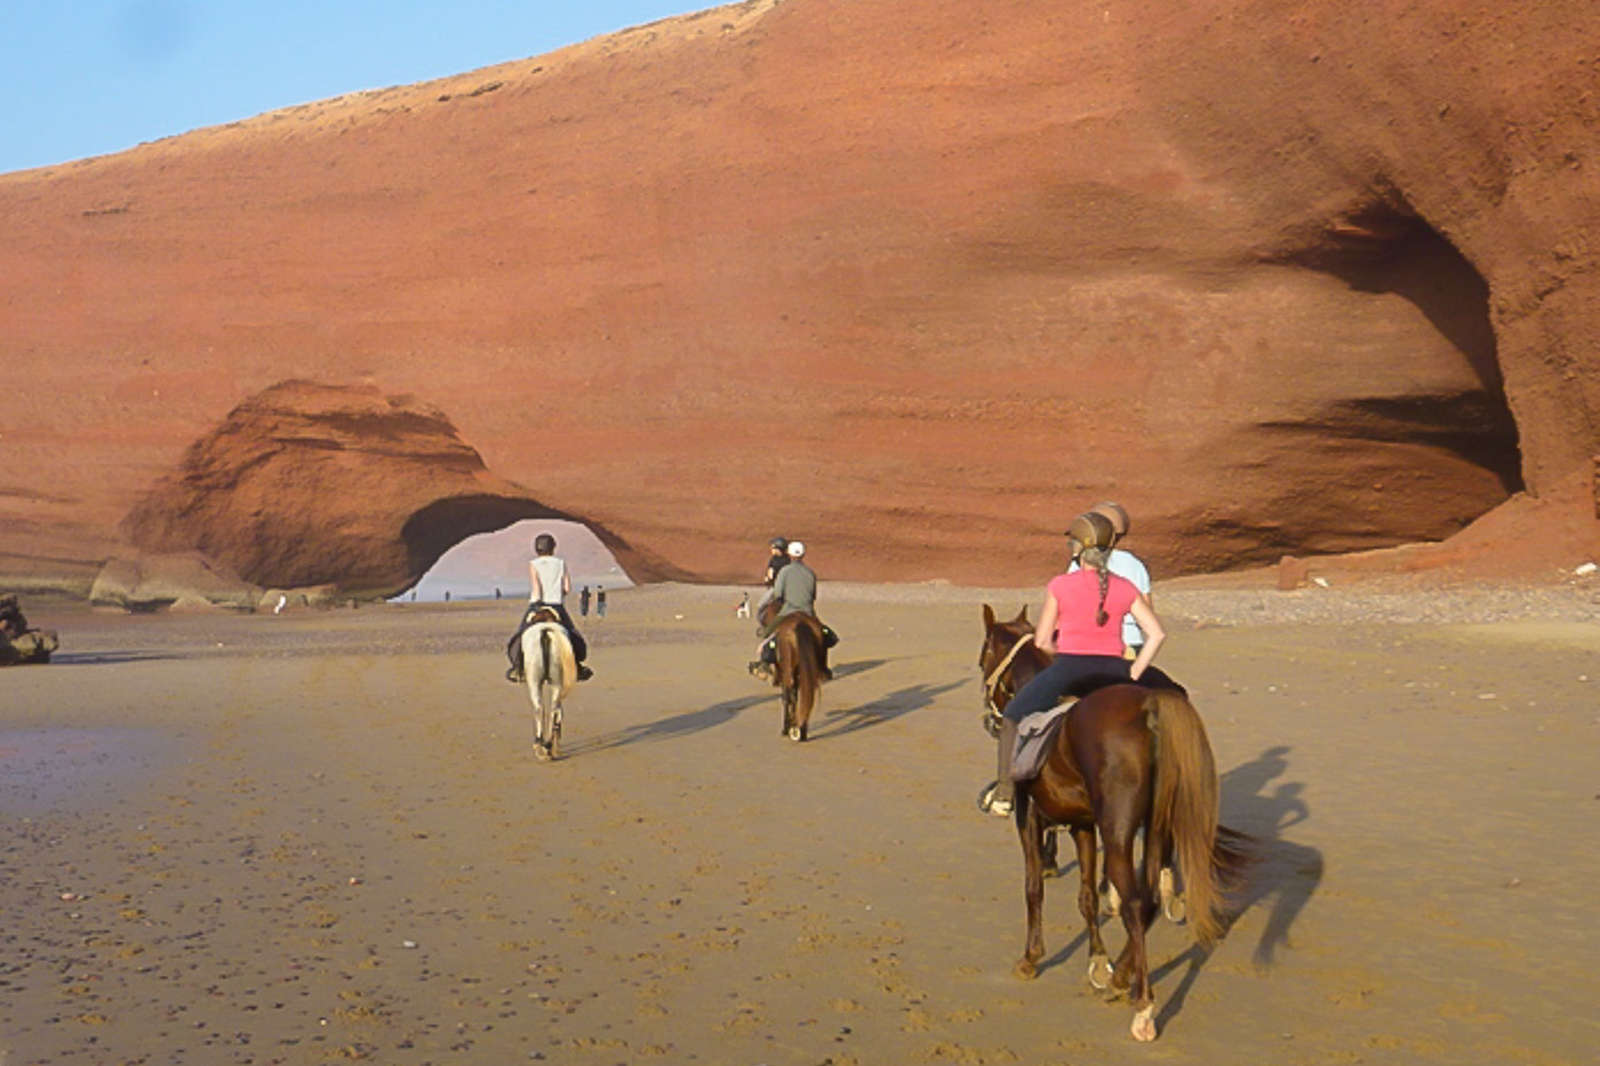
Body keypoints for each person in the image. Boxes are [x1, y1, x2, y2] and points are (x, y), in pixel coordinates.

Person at [982, 512, 1183, 817]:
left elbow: (1042, 641)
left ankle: (1004, 793)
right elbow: (1156, 634)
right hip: (1115, 669)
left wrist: (1058, 651)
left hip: (1070, 669)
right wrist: (1134, 671)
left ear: (1077, 548)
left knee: (1011, 715)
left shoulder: (1060, 585)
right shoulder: (1125, 587)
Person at [505, 533, 592, 683]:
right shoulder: (560, 563)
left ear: (536, 549)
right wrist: (558, 594)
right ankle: (577, 667)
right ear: (553, 547)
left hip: (537, 604)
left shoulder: (533, 564)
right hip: (556, 605)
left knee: (521, 633)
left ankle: (517, 668)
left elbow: (536, 588)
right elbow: (567, 588)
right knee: (572, 633)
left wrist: (537, 603)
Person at [1073, 501, 1152, 658]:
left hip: (1092, 642)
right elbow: (1147, 611)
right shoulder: (1136, 565)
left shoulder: (1083, 561)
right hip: (1131, 641)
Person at [749, 540, 836, 679]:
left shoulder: (785, 571)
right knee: (825, 635)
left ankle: (764, 662)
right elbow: (813, 595)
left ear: (789, 554)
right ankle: (823, 668)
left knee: (769, 633)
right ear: (803, 555)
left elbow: (778, 594)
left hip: (788, 610)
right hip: (808, 611)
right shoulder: (810, 573)